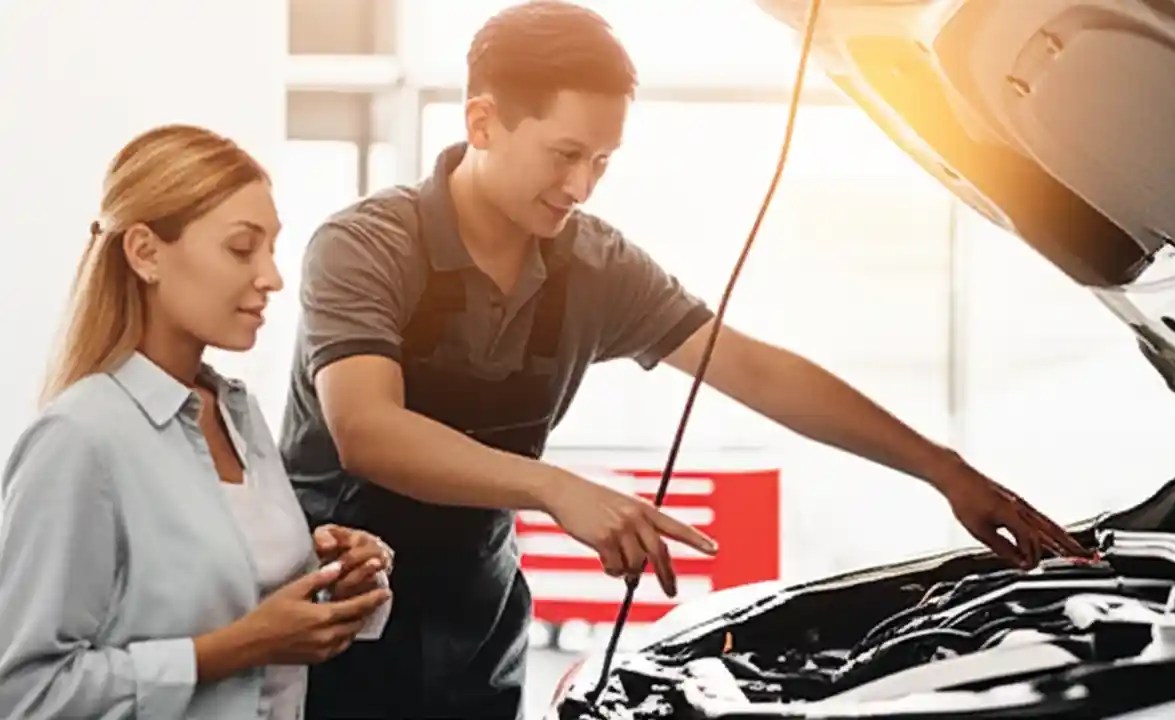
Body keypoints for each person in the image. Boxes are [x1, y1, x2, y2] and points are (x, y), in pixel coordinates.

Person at [279, 2, 1089, 718]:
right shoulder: (365, 247)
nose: (582, 187)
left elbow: (755, 370)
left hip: (475, 633)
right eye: (565, 154)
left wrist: (945, 471)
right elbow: (369, 431)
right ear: (483, 122)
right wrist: (557, 487)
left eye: (602, 161)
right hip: (326, 624)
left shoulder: (595, 266)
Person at [0, 124, 397, 720]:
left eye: (271, 249)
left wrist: (334, 581)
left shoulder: (240, 414)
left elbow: (229, 600)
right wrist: (237, 649)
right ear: (145, 253)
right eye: (241, 248)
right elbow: (25, 693)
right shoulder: (78, 440)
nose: (272, 277)